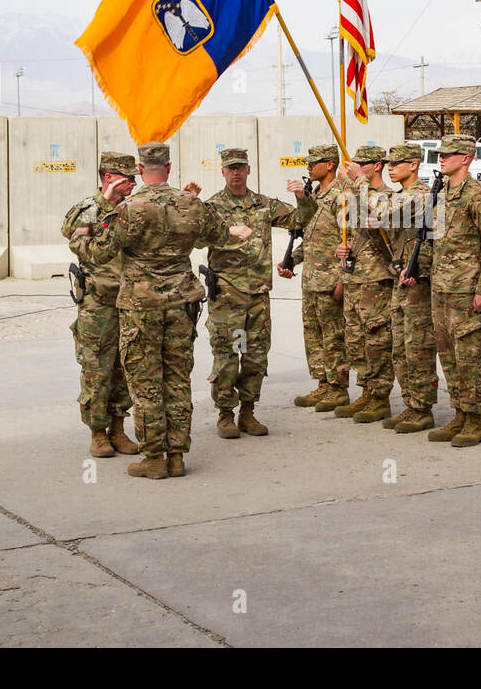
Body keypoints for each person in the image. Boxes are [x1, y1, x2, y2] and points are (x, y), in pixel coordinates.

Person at [72, 142, 250, 479]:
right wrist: (236, 232)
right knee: (177, 379)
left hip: (141, 306)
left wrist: (81, 237)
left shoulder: (129, 208)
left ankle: (154, 457)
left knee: (145, 382)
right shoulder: (191, 204)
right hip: (181, 304)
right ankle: (177, 455)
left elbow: (99, 252)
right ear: (168, 168)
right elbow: (218, 235)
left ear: (140, 169)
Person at [205, 147, 317, 439]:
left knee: (255, 357)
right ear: (223, 172)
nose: (236, 172)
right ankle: (226, 414)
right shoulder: (212, 207)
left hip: (257, 295)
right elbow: (196, 237)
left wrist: (303, 198)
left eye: (240, 167)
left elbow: (301, 220)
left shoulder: (263, 204)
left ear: (249, 170)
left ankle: (248, 412)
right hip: (227, 295)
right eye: (230, 168)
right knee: (228, 355)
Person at [427, 134, 481, 447]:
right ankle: (459, 413)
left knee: (469, 356)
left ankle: (475, 420)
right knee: (448, 355)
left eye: (448, 154)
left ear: (466, 157)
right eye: (440, 154)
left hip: (465, 291)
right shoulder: (442, 193)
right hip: (441, 289)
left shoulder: (478, 196)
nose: (441, 158)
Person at [61, 151, 140, 459]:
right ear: (109, 178)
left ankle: (118, 429)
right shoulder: (89, 209)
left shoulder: (133, 209)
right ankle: (97, 432)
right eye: (128, 179)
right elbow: (77, 239)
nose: (134, 184)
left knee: (125, 368)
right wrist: (106, 204)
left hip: (130, 301)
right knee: (97, 370)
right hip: (98, 305)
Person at [276, 144, 350, 413]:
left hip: (331, 280)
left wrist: (344, 279)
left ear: (330, 164)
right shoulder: (313, 195)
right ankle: (323, 383)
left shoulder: (341, 195)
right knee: (314, 335)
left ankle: (338, 388)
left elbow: (349, 240)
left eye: (314, 162)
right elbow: (310, 239)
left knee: (333, 337)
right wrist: (291, 261)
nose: (308, 167)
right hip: (311, 279)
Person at [333, 146, 397, 424]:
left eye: (362, 163)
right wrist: (345, 248)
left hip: (377, 278)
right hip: (355, 276)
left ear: (378, 165)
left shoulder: (388, 197)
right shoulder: (358, 196)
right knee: (356, 341)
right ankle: (367, 390)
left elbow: (383, 221)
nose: (356, 166)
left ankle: (381, 396)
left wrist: (358, 180)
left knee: (377, 340)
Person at [384, 143, 440, 433]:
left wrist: (357, 180)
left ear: (414, 164)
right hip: (400, 279)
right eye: (388, 164)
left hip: (417, 283)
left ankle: (422, 407)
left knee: (417, 347)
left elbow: (381, 211)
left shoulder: (420, 195)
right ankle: (410, 404)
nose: (390, 168)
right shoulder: (402, 195)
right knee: (401, 348)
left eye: (395, 163)